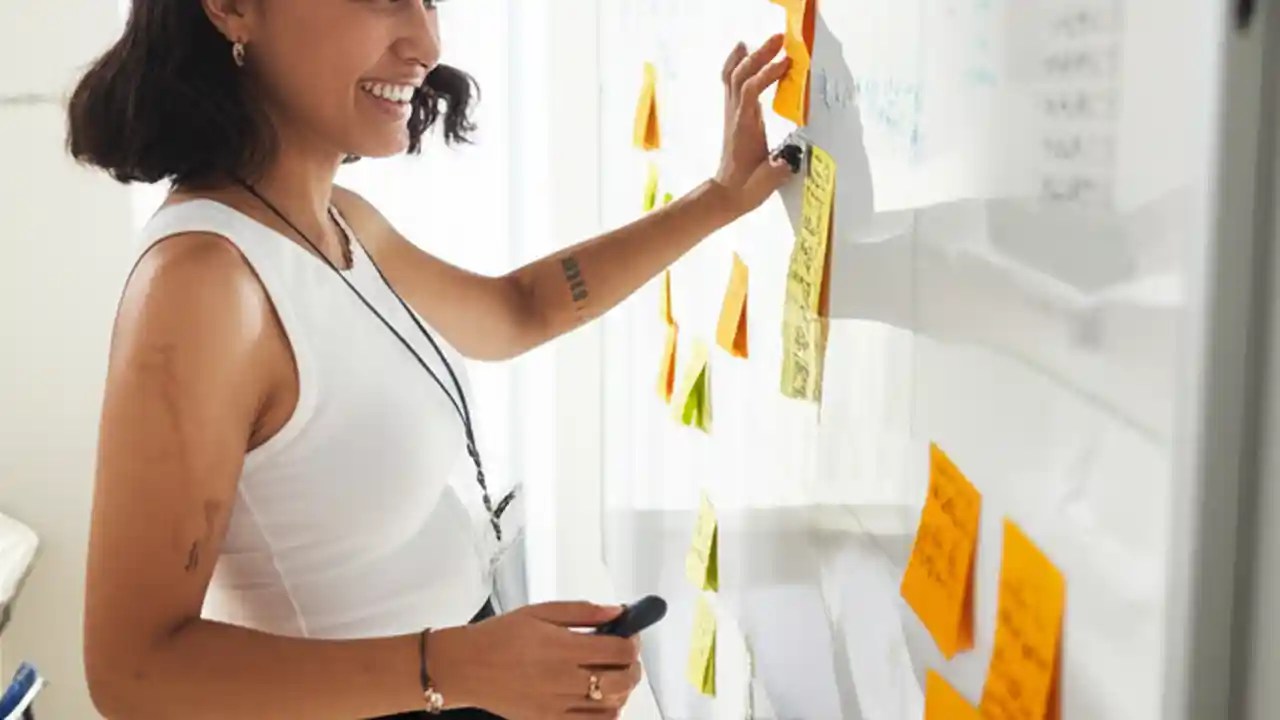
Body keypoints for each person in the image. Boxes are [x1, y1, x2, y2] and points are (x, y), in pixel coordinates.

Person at [68, 1, 795, 718]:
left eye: (430, 0)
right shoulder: (203, 285)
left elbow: (518, 310)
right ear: (230, 8)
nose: (426, 41)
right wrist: (455, 667)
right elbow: (134, 672)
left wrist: (719, 199)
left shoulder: (337, 219)